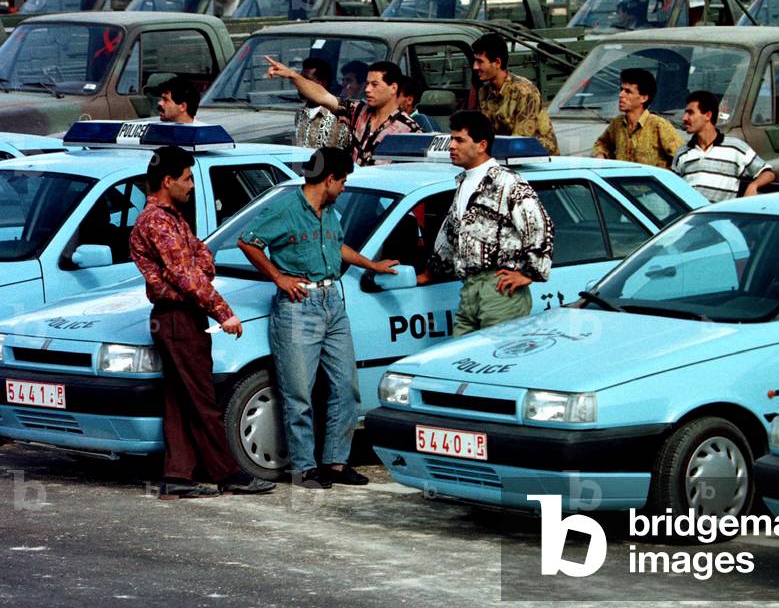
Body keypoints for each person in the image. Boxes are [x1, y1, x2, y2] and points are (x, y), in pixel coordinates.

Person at [237, 145, 399, 488]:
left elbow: (336, 246)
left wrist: (372, 265)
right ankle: (304, 468)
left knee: (345, 386)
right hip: (299, 306)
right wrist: (278, 277)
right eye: (343, 182)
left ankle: (336, 463)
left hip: (332, 302)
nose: (344, 188)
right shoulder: (285, 209)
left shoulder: (328, 211)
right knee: (299, 393)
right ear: (329, 179)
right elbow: (249, 242)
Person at [129, 147, 275, 500]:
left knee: (181, 401)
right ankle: (228, 473)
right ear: (168, 181)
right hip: (178, 317)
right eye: (187, 178)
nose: (192, 185)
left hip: (178, 315)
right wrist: (224, 313)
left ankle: (178, 476)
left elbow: (203, 258)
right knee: (201, 399)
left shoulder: (171, 218)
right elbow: (188, 275)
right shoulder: (159, 222)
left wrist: (195, 267)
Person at [417, 110, 553, 336]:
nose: (452, 146)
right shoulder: (463, 183)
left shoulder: (508, 182)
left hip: (500, 290)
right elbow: (451, 235)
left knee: (497, 354)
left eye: (460, 140)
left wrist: (530, 273)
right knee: (463, 352)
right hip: (469, 289)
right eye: (452, 139)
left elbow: (540, 226)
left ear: (481, 145)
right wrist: (429, 274)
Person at [265, 57, 420, 165]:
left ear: (393, 88)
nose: (367, 89)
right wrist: (292, 75)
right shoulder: (356, 111)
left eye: (374, 84)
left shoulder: (410, 131)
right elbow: (322, 95)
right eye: (367, 84)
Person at [671, 90, 774, 202]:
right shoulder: (682, 153)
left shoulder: (735, 147)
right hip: (692, 212)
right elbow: (674, 189)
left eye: (690, 113)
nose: (684, 118)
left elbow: (767, 173)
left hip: (720, 212)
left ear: (708, 115)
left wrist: (753, 186)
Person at [472, 32, 560, 156]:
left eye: (480, 62)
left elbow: (520, 142)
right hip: (504, 156)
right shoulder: (484, 92)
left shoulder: (525, 92)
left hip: (539, 160)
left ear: (497, 63)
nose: (475, 67)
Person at [592, 68, 681, 168]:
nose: (621, 95)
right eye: (621, 90)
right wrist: (600, 155)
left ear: (644, 98)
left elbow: (682, 156)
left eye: (628, 91)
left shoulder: (659, 125)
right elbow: (601, 143)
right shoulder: (617, 124)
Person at [294, 57, 351, 149]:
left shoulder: (339, 115)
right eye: (300, 80)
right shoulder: (300, 114)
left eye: (306, 80)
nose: (301, 84)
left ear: (322, 84)